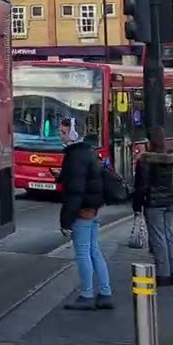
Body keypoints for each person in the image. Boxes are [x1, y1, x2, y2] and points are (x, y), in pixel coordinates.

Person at [57, 117, 113, 310]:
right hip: (93, 209)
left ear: (73, 134)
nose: (60, 135)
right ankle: (105, 293)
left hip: (82, 212)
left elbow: (75, 192)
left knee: (82, 253)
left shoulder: (75, 157)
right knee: (94, 251)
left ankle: (87, 295)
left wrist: (65, 221)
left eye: (63, 132)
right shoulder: (89, 152)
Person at [132, 126, 173, 287]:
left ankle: (163, 275)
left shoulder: (145, 160)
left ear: (150, 142)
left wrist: (137, 206)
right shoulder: (172, 157)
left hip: (154, 204)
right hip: (171, 201)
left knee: (158, 238)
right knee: (168, 235)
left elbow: (141, 186)